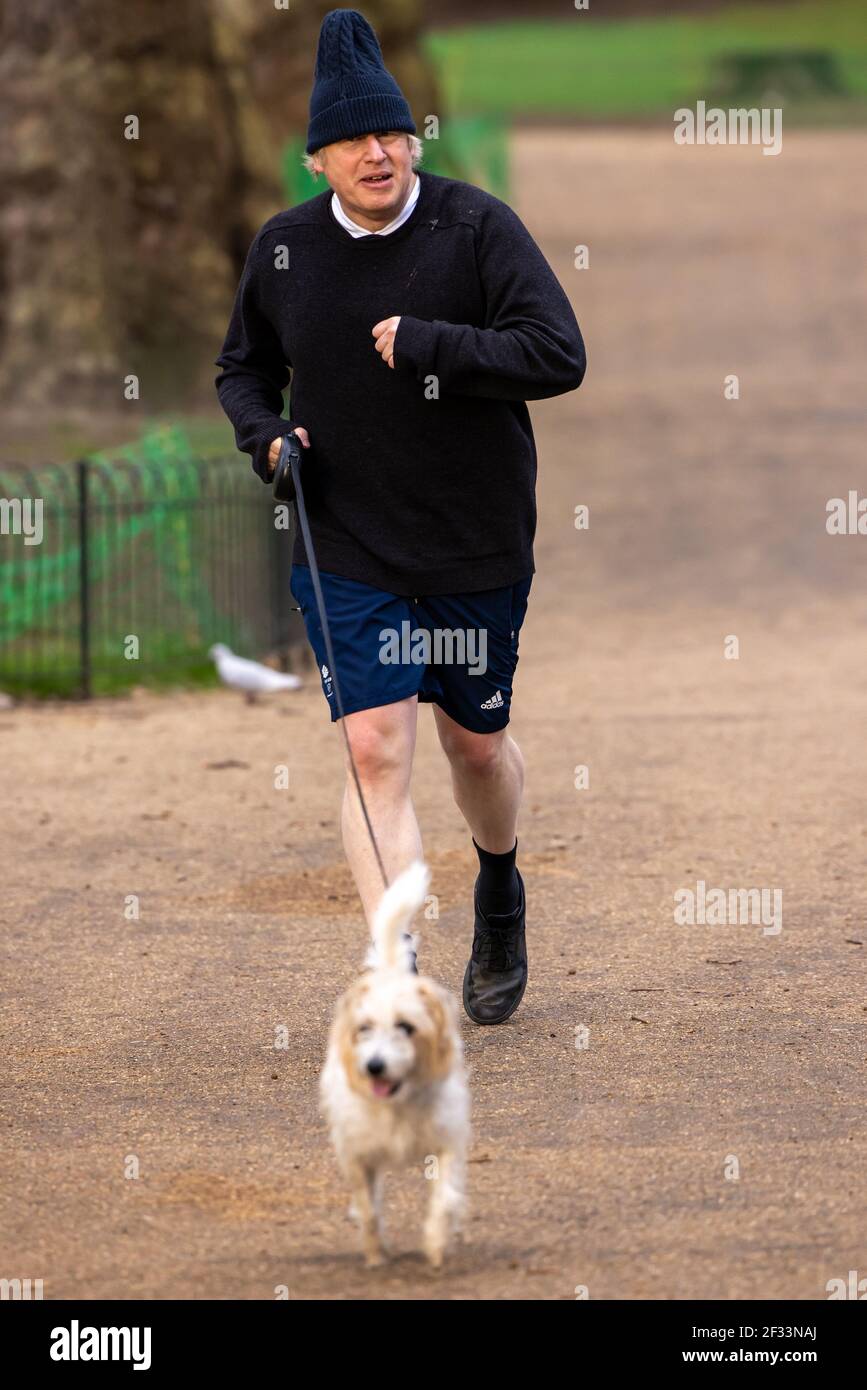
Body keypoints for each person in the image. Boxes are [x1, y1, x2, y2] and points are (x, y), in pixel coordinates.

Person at [215, 8, 586, 1024]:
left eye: (391, 134)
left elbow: (559, 354)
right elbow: (243, 370)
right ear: (318, 158)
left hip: (472, 536)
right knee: (375, 745)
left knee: (476, 746)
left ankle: (500, 882)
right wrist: (266, 440)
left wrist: (435, 344)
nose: (376, 153)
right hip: (348, 539)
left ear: (412, 140)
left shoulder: (475, 227)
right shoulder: (284, 251)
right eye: (353, 140)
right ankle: (398, 974)